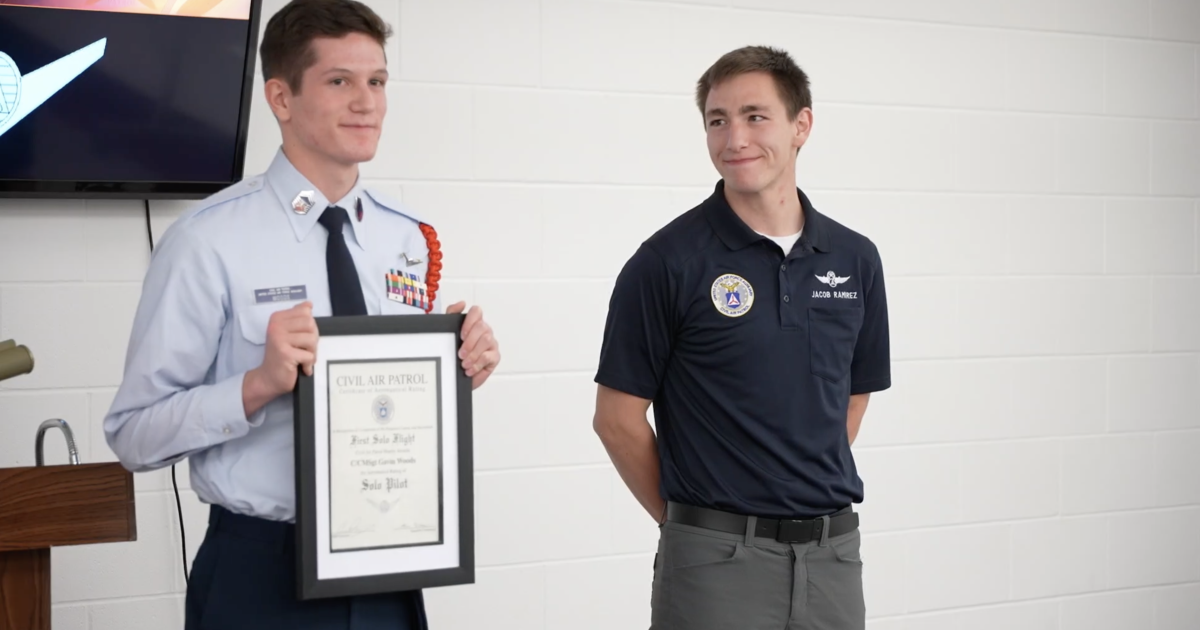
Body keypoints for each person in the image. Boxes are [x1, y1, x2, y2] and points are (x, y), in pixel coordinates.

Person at [103, 1, 500, 628]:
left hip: (390, 562)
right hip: (260, 571)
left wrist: (457, 364)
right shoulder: (207, 241)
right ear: (281, 99)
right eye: (339, 81)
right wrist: (255, 386)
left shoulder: (405, 237)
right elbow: (132, 436)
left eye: (377, 81)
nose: (366, 103)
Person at [592, 45, 890, 630]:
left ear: (801, 124)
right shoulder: (667, 262)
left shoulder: (855, 259)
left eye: (755, 116)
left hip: (833, 560)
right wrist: (690, 524)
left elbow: (852, 397)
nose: (735, 138)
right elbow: (617, 419)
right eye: (717, 120)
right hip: (713, 566)